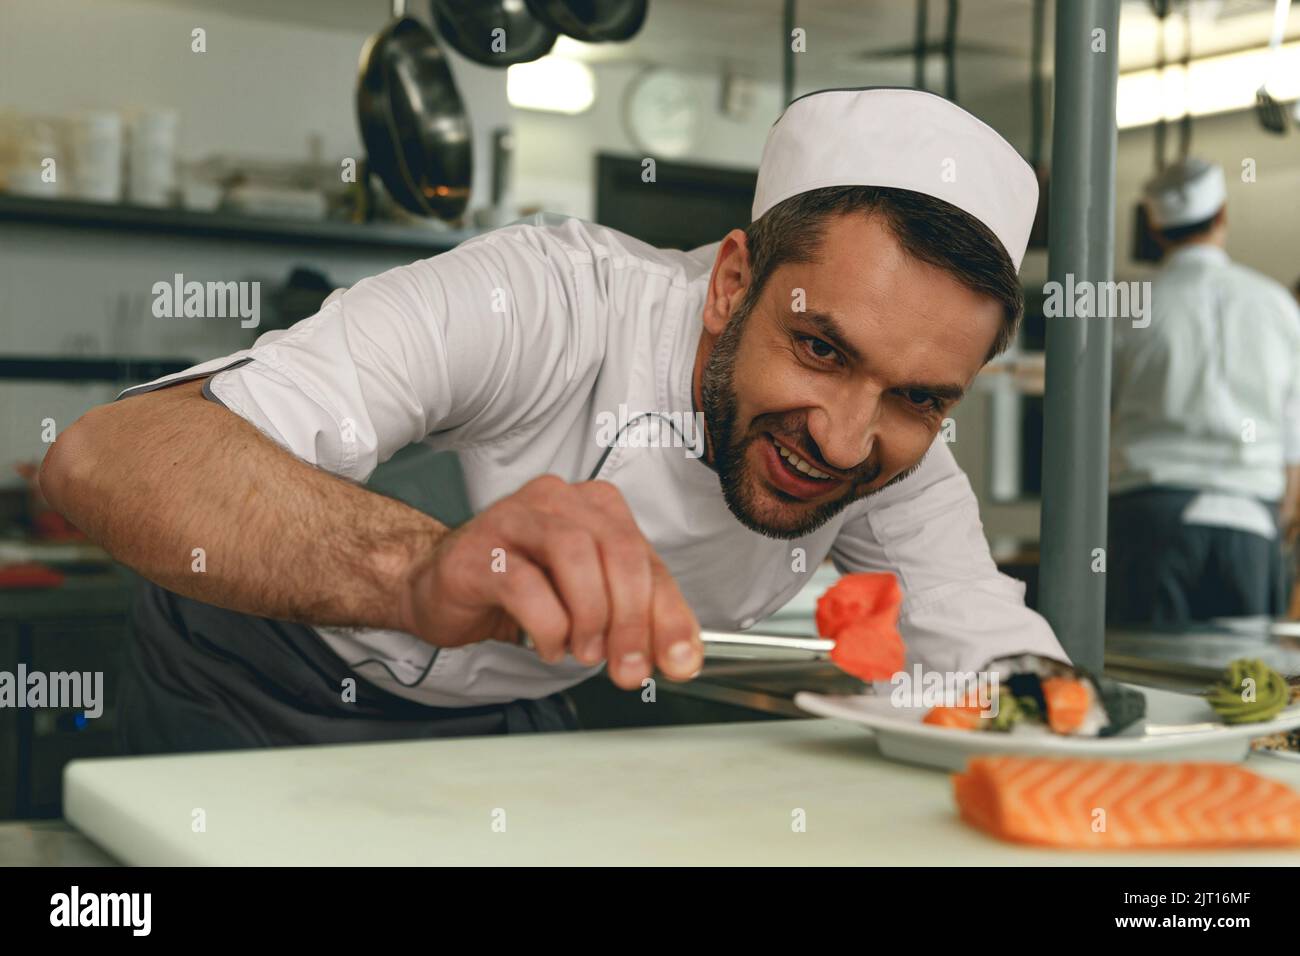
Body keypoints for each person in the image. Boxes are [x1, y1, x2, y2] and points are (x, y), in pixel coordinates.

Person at [40, 88, 1067, 754]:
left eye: (918, 395)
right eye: (820, 349)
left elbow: (991, 656)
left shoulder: (895, 459)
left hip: (501, 719)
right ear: (731, 283)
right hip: (253, 678)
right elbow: (108, 456)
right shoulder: (548, 301)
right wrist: (418, 572)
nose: (844, 439)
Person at [1109, 158, 1300, 626]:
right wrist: (1289, 504)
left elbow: (1093, 415)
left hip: (1150, 513)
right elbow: (1294, 424)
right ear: (1222, 216)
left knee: (1147, 672)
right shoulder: (1276, 304)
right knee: (1250, 681)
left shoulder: (1126, 306)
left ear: (1154, 229)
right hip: (1252, 516)